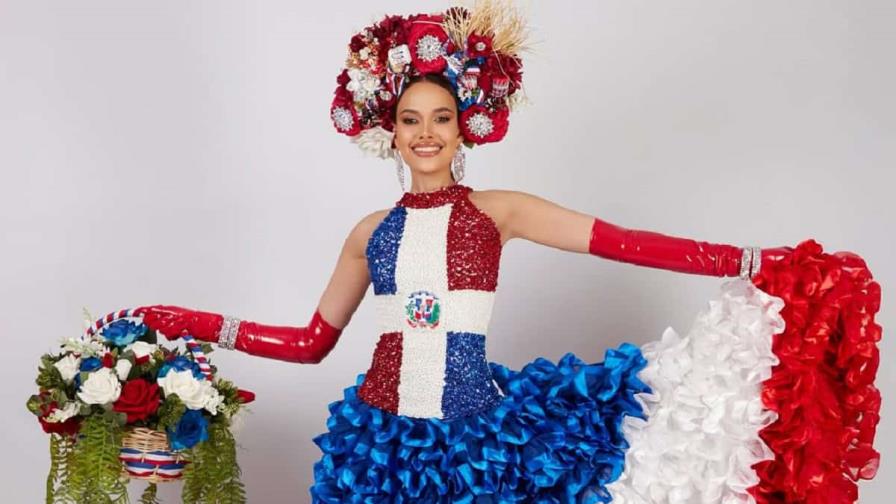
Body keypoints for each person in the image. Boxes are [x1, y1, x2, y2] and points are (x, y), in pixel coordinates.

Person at [136, 2, 882, 502]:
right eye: (410, 119)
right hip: (379, 442)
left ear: (465, 126)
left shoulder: (501, 213)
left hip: (477, 440)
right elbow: (308, 344)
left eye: (441, 118)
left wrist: (751, 262)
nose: (426, 133)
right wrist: (181, 321)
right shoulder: (369, 232)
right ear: (389, 131)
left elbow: (622, 243)